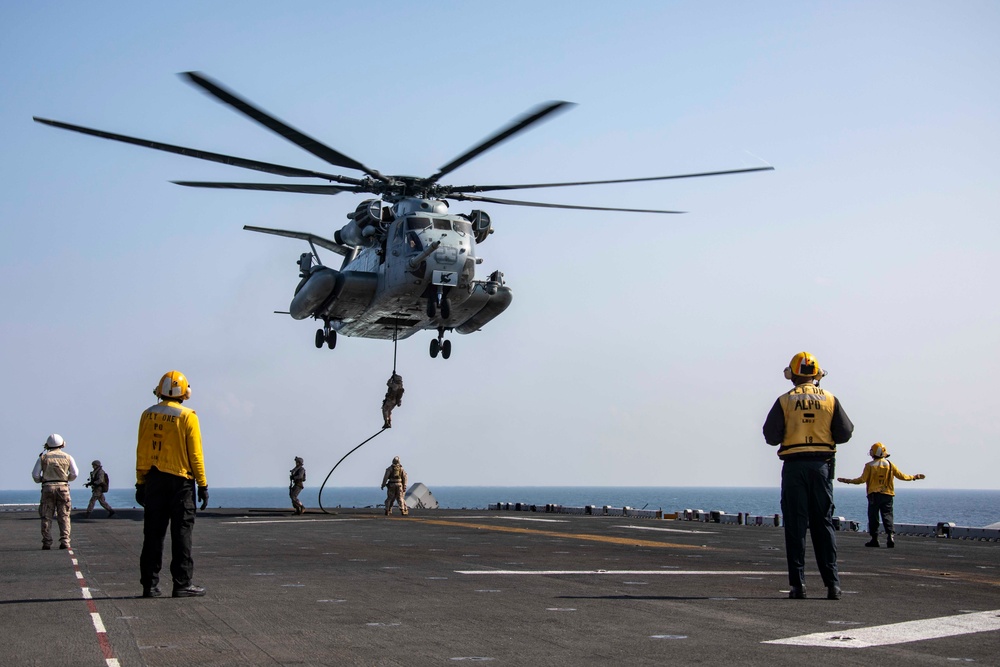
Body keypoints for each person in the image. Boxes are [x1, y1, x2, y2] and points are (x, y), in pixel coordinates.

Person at [763, 351, 854, 600]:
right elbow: (845, 433)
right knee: (823, 524)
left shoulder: (784, 400)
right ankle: (833, 585)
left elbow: (770, 436)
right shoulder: (830, 399)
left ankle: (798, 585)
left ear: (792, 375)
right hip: (821, 466)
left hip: (794, 467)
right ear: (817, 375)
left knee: (795, 526)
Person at [136, 370, 209, 598]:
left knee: (153, 535)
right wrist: (203, 484)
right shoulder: (188, 416)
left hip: (154, 480)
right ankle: (182, 583)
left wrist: (140, 482)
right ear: (185, 392)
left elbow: (142, 450)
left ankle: (150, 585)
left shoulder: (147, 415)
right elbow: (195, 455)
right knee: (182, 534)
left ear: (159, 391)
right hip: (181, 483)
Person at [837, 443, 925, 548]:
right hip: (888, 494)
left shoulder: (869, 466)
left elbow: (861, 480)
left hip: (874, 495)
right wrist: (914, 477)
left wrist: (847, 481)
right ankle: (890, 536)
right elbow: (902, 476)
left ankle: (875, 539)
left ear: (873, 453)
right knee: (887, 516)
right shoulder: (890, 465)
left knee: (873, 517)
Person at [31, 434, 79, 550]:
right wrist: (66, 479)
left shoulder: (43, 458)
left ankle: (47, 542)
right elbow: (75, 474)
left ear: (47, 445)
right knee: (64, 515)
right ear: (62, 444)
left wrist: (43, 480)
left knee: (46, 516)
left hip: (48, 488)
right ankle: (65, 541)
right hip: (63, 488)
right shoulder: (68, 457)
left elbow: (35, 475)